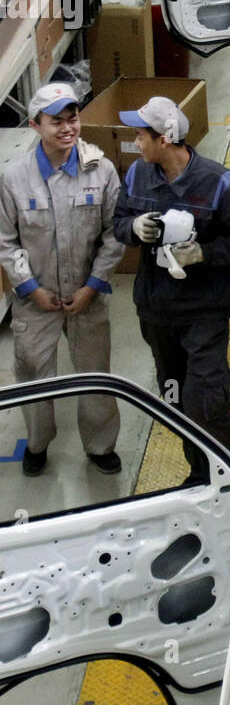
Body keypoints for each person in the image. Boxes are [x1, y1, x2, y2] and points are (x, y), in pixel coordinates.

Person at [112, 97, 230, 485]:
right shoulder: (137, 176)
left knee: (206, 401)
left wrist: (204, 253)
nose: (134, 143)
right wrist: (134, 228)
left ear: (165, 139)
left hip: (203, 312)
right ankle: (199, 473)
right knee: (176, 399)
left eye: (140, 135)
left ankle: (227, 480)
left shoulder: (219, 184)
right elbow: (118, 222)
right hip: (158, 313)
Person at [0, 83, 123, 477]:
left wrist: (93, 286)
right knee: (33, 372)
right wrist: (30, 288)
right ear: (35, 125)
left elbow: (113, 235)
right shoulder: (12, 178)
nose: (68, 128)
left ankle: (101, 446)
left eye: (73, 119)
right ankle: (38, 443)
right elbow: (5, 241)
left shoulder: (100, 170)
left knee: (95, 374)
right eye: (56, 122)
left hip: (88, 295)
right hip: (34, 300)